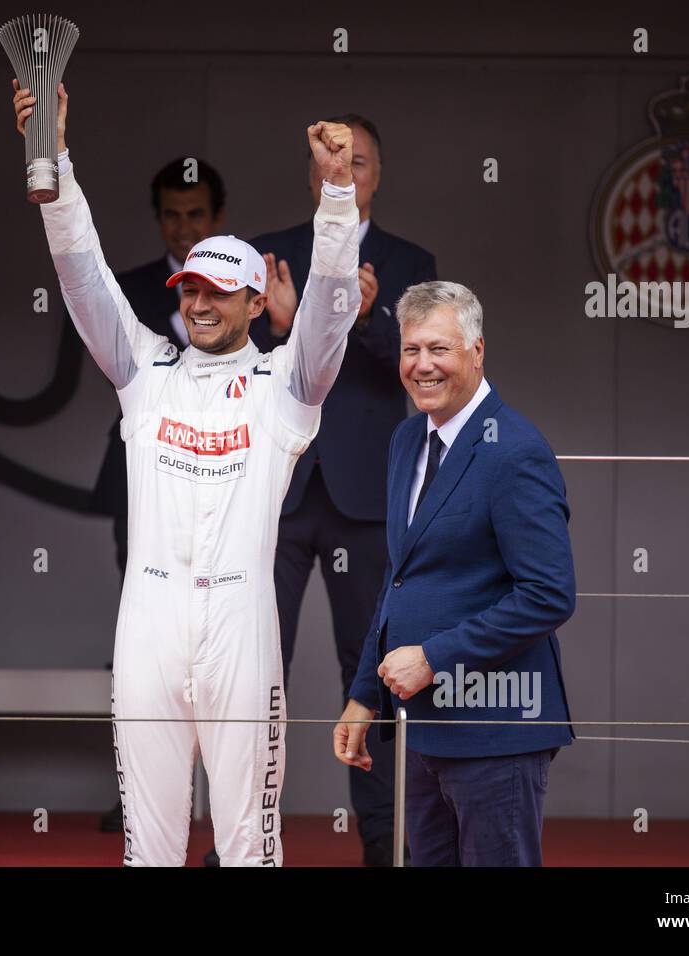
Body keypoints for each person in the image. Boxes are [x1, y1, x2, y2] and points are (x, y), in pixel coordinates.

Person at [14, 80, 361, 866]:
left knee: (247, 843)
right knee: (151, 845)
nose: (201, 303)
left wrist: (336, 198)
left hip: (243, 626)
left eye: (219, 292)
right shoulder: (143, 371)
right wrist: (53, 160)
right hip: (150, 626)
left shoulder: (286, 388)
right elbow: (82, 278)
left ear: (250, 302)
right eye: (190, 289)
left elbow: (332, 312)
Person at [334, 281, 575, 867]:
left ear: (477, 351)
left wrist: (434, 659)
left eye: (439, 349)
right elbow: (401, 578)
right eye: (411, 350)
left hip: (495, 730)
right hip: (421, 729)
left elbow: (548, 594)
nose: (422, 366)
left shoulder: (514, 449)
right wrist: (365, 694)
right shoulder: (406, 440)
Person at [249, 113, 436, 865]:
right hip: (283, 493)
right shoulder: (276, 254)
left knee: (374, 666)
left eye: (358, 161)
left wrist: (365, 318)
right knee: (256, 666)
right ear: (311, 171)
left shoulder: (410, 260)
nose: (345, 171)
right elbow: (235, 354)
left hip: (364, 500)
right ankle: (246, 836)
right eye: (331, 159)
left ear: (376, 174)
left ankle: (384, 842)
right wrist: (289, 327)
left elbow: (422, 365)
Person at [88, 156, 227, 834]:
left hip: (231, 486)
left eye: (195, 214)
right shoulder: (134, 288)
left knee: (224, 638)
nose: (183, 226)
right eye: (172, 214)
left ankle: (220, 789)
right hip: (144, 485)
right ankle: (140, 786)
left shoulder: (247, 286)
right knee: (148, 636)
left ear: (217, 218)